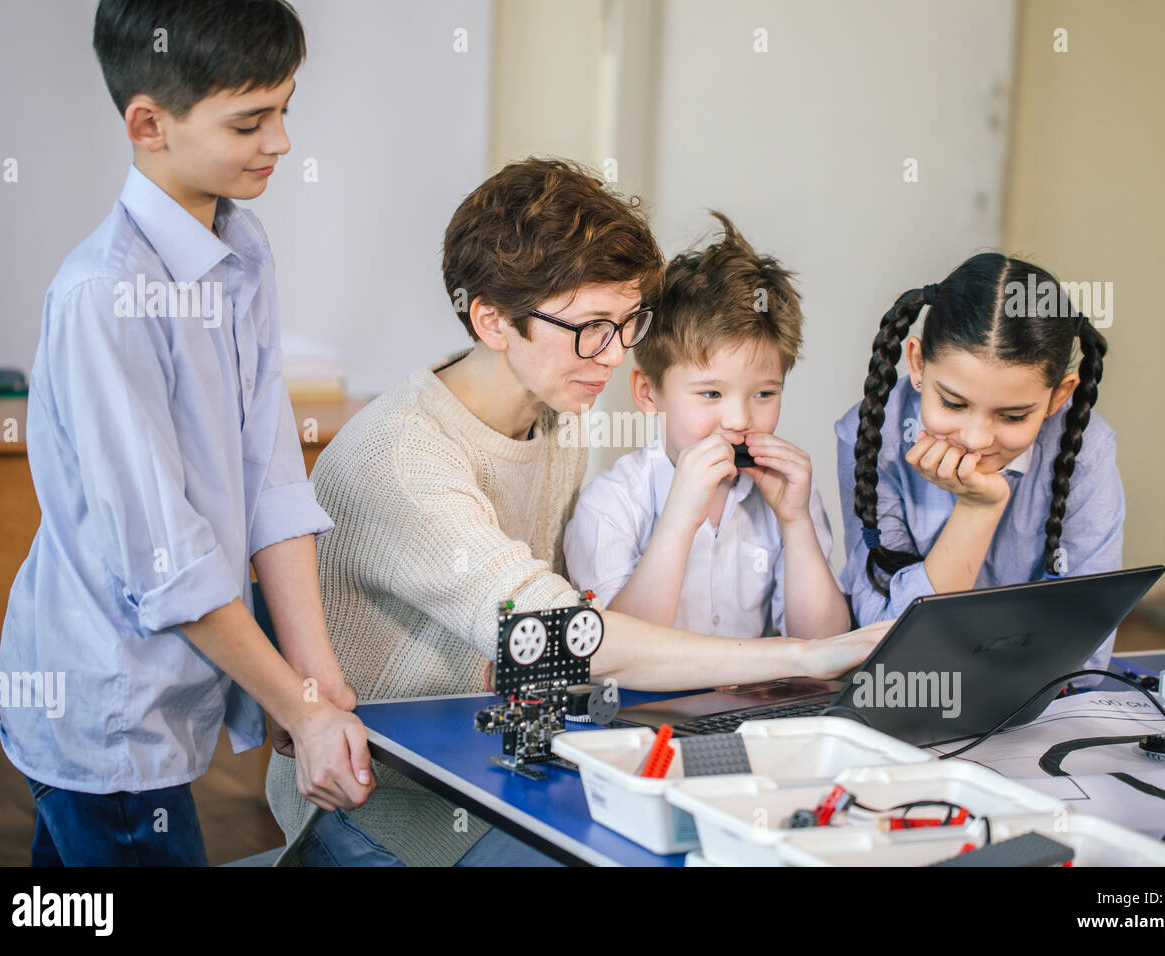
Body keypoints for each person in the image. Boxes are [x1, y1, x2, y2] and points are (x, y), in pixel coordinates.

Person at [266, 158, 888, 866]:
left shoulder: (557, 420)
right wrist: (805, 655)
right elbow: (561, 635)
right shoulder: (406, 460)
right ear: (493, 320)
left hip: (498, 765)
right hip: (390, 807)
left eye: (628, 324)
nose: (617, 354)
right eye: (593, 327)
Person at [0, 0, 372, 866]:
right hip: (104, 707)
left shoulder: (243, 249)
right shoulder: (102, 296)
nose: (281, 142)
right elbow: (169, 565)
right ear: (148, 123)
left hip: (171, 691)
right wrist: (297, 705)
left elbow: (273, 475)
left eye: (286, 110)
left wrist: (312, 685)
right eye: (251, 120)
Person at [563, 211, 851, 640]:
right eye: (711, 394)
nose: (739, 420)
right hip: (643, 706)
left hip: (755, 704)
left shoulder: (789, 498)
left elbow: (824, 647)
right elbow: (617, 652)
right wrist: (680, 518)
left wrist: (796, 523)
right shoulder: (609, 508)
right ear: (647, 393)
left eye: (765, 394)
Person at [836, 251, 1121, 679]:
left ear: (1059, 397)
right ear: (916, 363)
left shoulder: (1087, 447)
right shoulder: (876, 436)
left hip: (1032, 706)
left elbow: (1085, 654)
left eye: (1012, 416)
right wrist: (977, 509)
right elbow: (891, 648)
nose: (975, 439)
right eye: (952, 403)